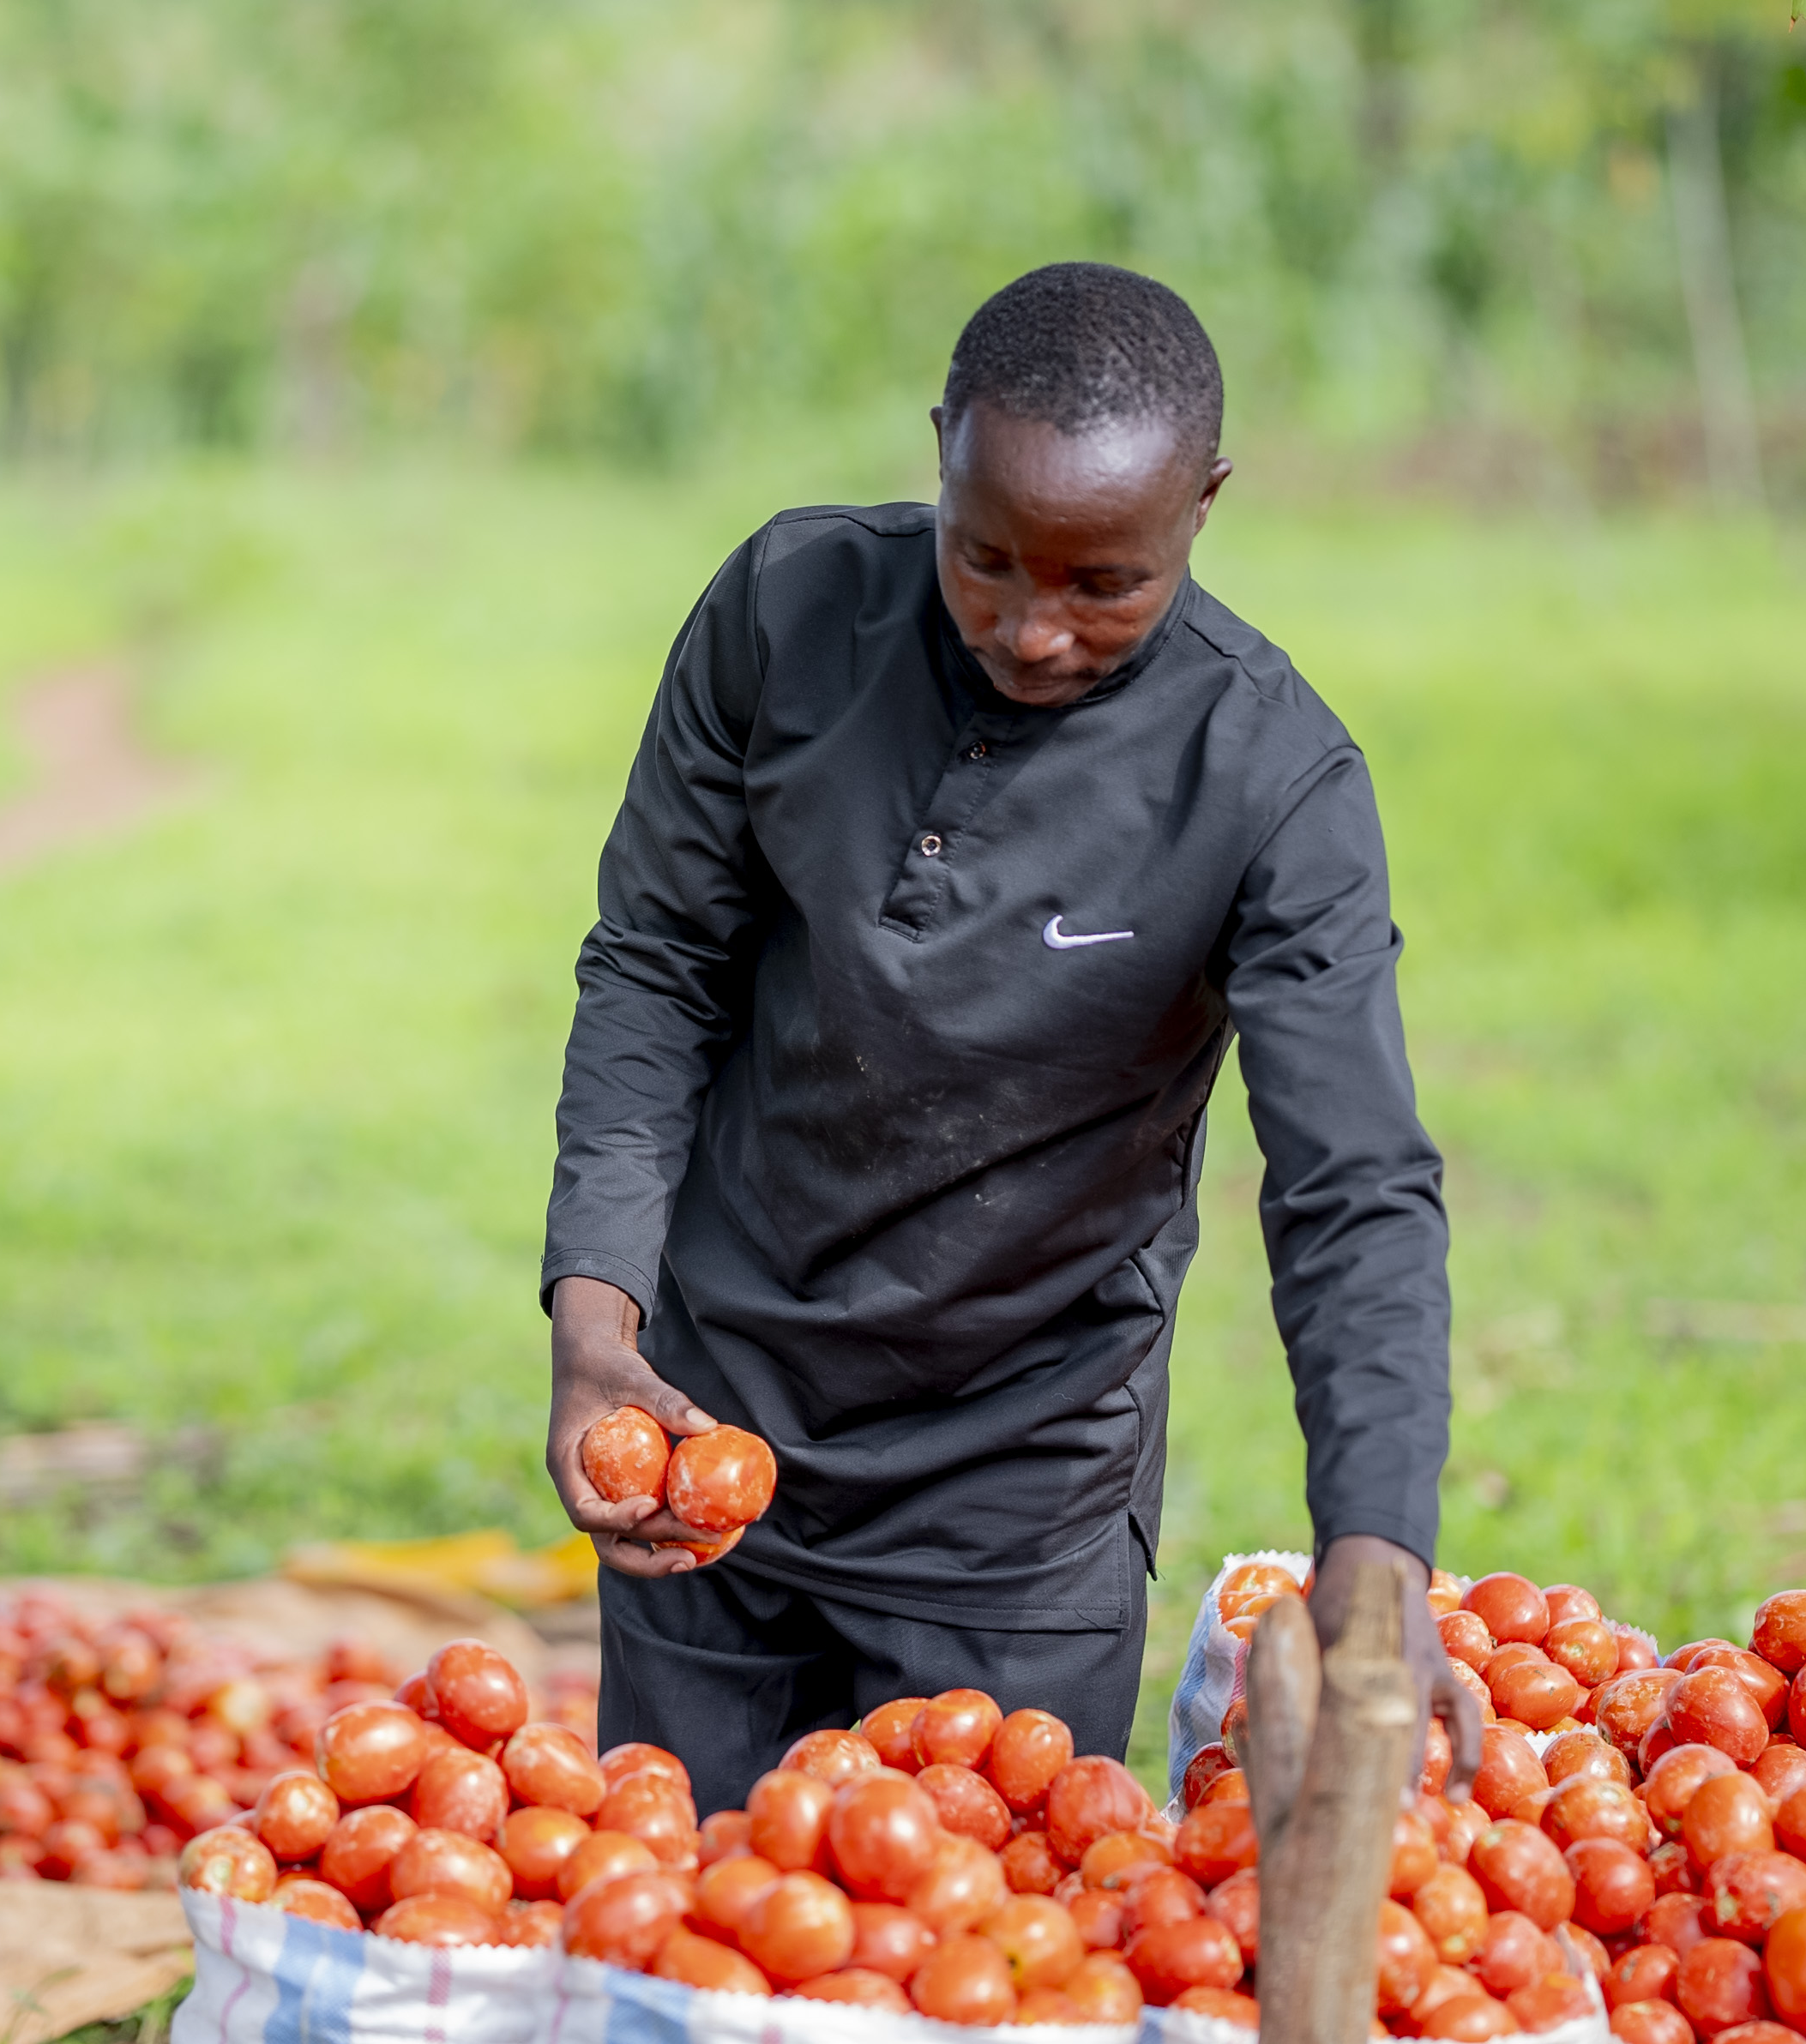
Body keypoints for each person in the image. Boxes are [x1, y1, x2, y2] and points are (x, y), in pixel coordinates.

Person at [541, 262, 1468, 1801]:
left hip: (1015, 1495)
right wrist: (596, 1326)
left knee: (971, 1963)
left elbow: (1350, 1183)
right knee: (681, 1942)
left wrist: (1376, 1556)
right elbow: (656, 964)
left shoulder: (1271, 784)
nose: (1032, 632)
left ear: (1205, 504)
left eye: (1104, 584)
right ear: (940, 452)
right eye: (987, 560)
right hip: (710, 1435)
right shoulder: (785, 614)